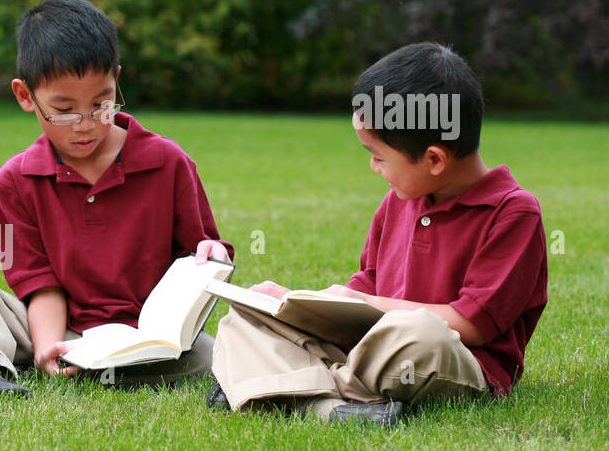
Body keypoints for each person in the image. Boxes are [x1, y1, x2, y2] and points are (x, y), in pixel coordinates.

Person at [0, 0, 232, 406]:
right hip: (57, 334)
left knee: (225, 349)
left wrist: (211, 255)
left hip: (150, 344)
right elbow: (40, 285)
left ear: (116, 80)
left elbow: (199, 258)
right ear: (25, 96)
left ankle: (238, 381)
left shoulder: (167, 162)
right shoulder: (15, 180)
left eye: (101, 105)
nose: (86, 125)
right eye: (64, 111)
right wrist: (50, 348)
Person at [209, 42, 547, 425]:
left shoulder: (513, 212)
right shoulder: (400, 199)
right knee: (246, 315)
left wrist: (363, 303)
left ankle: (275, 388)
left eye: (378, 156)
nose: (372, 166)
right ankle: (331, 408)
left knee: (419, 333)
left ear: (434, 159)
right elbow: (368, 284)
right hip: (366, 351)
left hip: (451, 360)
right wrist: (296, 304)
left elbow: (471, 325)